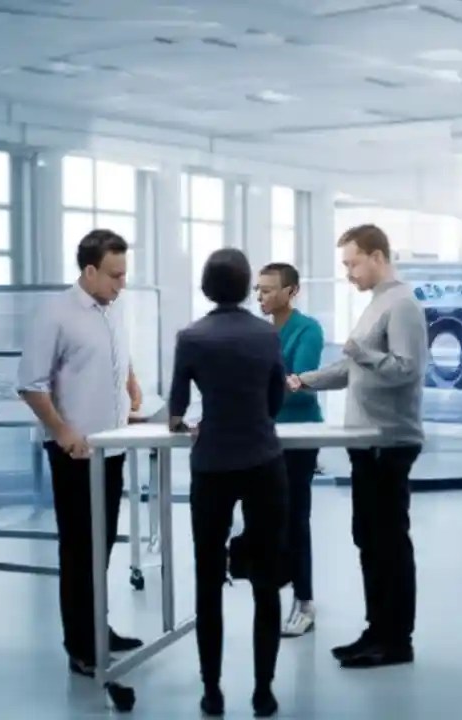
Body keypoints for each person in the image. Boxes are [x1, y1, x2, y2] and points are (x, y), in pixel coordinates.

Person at [288, 223, 427, 669]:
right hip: (366, 443)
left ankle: (396, 640)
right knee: (368, 537)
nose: (348, 272)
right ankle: (376, 630)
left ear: (377, 256)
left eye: (352, 263)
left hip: (388, 441)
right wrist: (301, 381)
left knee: (388, 540)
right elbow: (351, 369)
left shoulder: (402, 304)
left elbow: (406, 369)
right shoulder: (375, 305)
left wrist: (362, 353)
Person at [17, 229, 144, 677]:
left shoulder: (113, 307)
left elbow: (113, 354)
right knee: (78, 550)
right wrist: (62, 429)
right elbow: (31, 383)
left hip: (113, 447)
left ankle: (99, 629)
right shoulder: (55, 314)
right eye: (114, 275)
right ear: (89, 270)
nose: (121, 283)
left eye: (124, 274)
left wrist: (130, 381)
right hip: (74, 452)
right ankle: (81, 646)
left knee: (103, 545)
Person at [168, 248, 286, 717]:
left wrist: (189, 422)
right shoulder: (265, 334)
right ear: (245, 288)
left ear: (205, 288)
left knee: (207, 579)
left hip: (212, 463)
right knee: (266, 581)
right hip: (263, 460)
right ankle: (263, 691)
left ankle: (212, 690)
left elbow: (176, 409)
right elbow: (275, 397)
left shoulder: (191, 337)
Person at [255, 262, 325, 638]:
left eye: (268, 289)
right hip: (266, 434)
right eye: (258, 289)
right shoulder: (260, 332)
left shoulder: (308, 330)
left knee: (296, 515)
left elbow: (300, 384)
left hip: (298, 435)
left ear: (291, 291)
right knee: (270, 517)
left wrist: (255, 387)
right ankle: (280, 582)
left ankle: (305, 601)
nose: (261, 296)